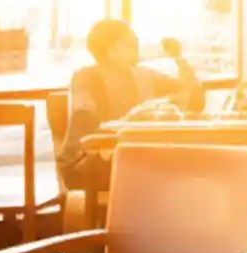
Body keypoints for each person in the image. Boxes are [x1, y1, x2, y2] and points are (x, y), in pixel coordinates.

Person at [58, 19, 203, 188]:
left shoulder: (143, 75)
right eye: (129, 44)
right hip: (86, 159)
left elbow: (190, 92)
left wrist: (178, 59)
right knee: (158, 173)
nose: (136, 48)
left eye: (135, 42)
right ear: (110, 50)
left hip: (130, 157)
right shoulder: (86, 78)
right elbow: (85, 121)